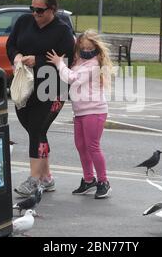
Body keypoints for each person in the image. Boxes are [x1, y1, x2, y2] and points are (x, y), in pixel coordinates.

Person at [6, 0, 75, 197]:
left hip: (53, 88)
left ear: (52, 10)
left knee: (37, 128)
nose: (34, 14)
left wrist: (38, 60)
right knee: (36, 130)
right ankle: (47, 178)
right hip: (26, 86)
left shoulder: (62, 31)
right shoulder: (24, 22)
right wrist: (16, 57)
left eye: (40, 10)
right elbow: (11, 45)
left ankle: (34, 180)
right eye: (32, 9)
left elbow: (68, 59)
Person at [46, 30, 113, 199]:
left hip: (95, 110)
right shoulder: (79, 60)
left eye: (90, 48)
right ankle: (89, 180)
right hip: (80, 111)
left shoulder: (94, 65)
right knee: (81, 146)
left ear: (96, 48)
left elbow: (72, 78)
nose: (86, 50)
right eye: (83, 47)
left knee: (93, 147)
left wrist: (59, 63)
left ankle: (103, 181)